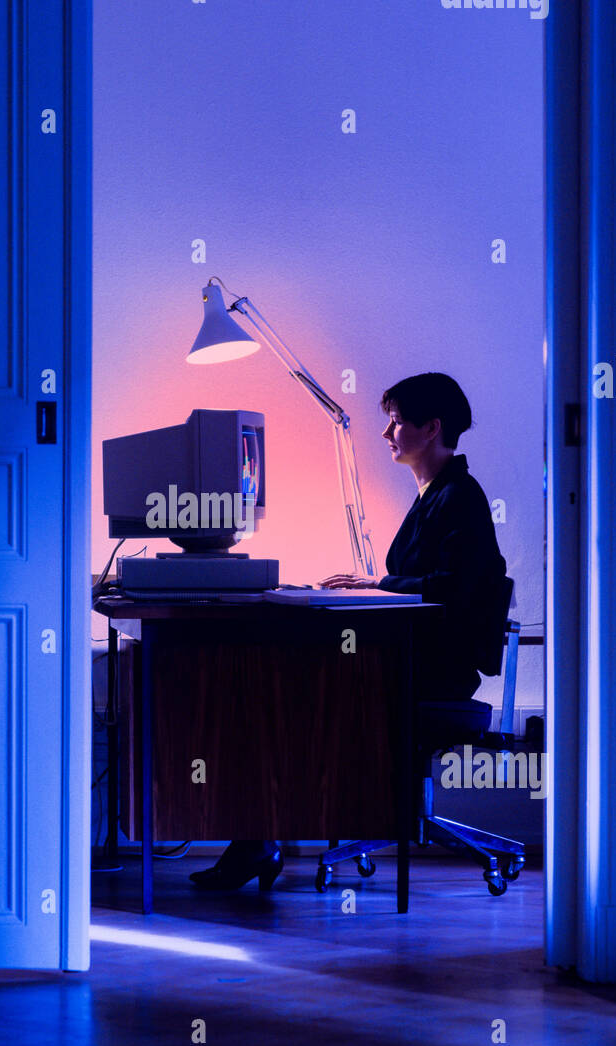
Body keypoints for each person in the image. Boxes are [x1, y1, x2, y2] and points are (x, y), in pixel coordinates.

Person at [189, 372, 506, 891]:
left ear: (432, 428)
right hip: (411, 657)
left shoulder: (460, 497)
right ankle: (259, 841)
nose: (386, 433)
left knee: (280, 694)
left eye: (396, 421)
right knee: (275, 685)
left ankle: (258, 843)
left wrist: (376, 584)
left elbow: (451, 589)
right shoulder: (435, 494)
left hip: (432, 672)